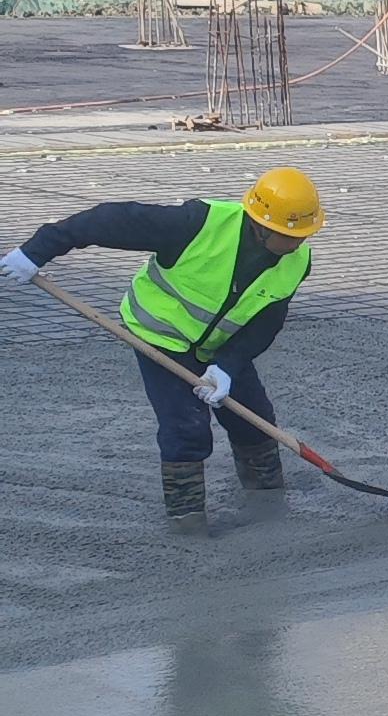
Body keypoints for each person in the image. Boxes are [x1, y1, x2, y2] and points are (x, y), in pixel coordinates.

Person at [1, 167, 326, 527]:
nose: (297, 243)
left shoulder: (297, 262)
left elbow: (265, 324)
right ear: (259, 225)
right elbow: (112, 220)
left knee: (255, 420)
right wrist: (38, 249)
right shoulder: (198, 224)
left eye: (304, 234)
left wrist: (228, 367)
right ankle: (188, 520)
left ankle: (268, 501)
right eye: (289, 235)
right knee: (186, 427)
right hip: (160, 337)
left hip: (218, 348)